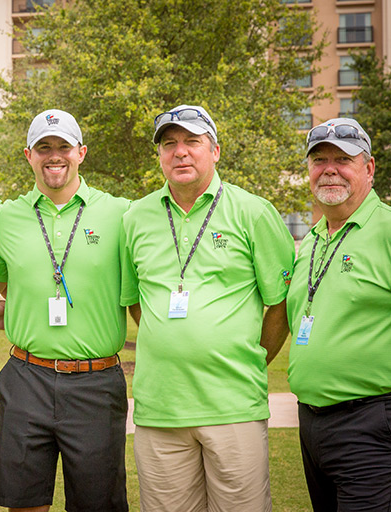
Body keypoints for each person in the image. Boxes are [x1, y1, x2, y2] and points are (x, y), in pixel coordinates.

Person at [121, 105, 295, 511]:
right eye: (169, 144)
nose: (180, 152)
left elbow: (280, 303)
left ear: (214, 150)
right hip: (159, 409)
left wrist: (249, 358)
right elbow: (136, 301)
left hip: (232, 405)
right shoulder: (136, 216)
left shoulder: (253, 212)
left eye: (192, 142)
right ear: (160, 155)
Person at [0, 109, 131, 512]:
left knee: (97, 504)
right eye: (44, 148)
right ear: (28, 154)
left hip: (96, 384)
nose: (54, 156)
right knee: (24, 503)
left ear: (81, 152)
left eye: (63, 147)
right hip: (26, 378)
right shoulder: (5, 216)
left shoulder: (121, 213)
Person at [287, 118, 391, 511]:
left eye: (342, 159)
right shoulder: (313, 239)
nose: (329, 169)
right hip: (312, 423)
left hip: (371, 421)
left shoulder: (390, 231)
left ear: (368, 168)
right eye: (319, 160)